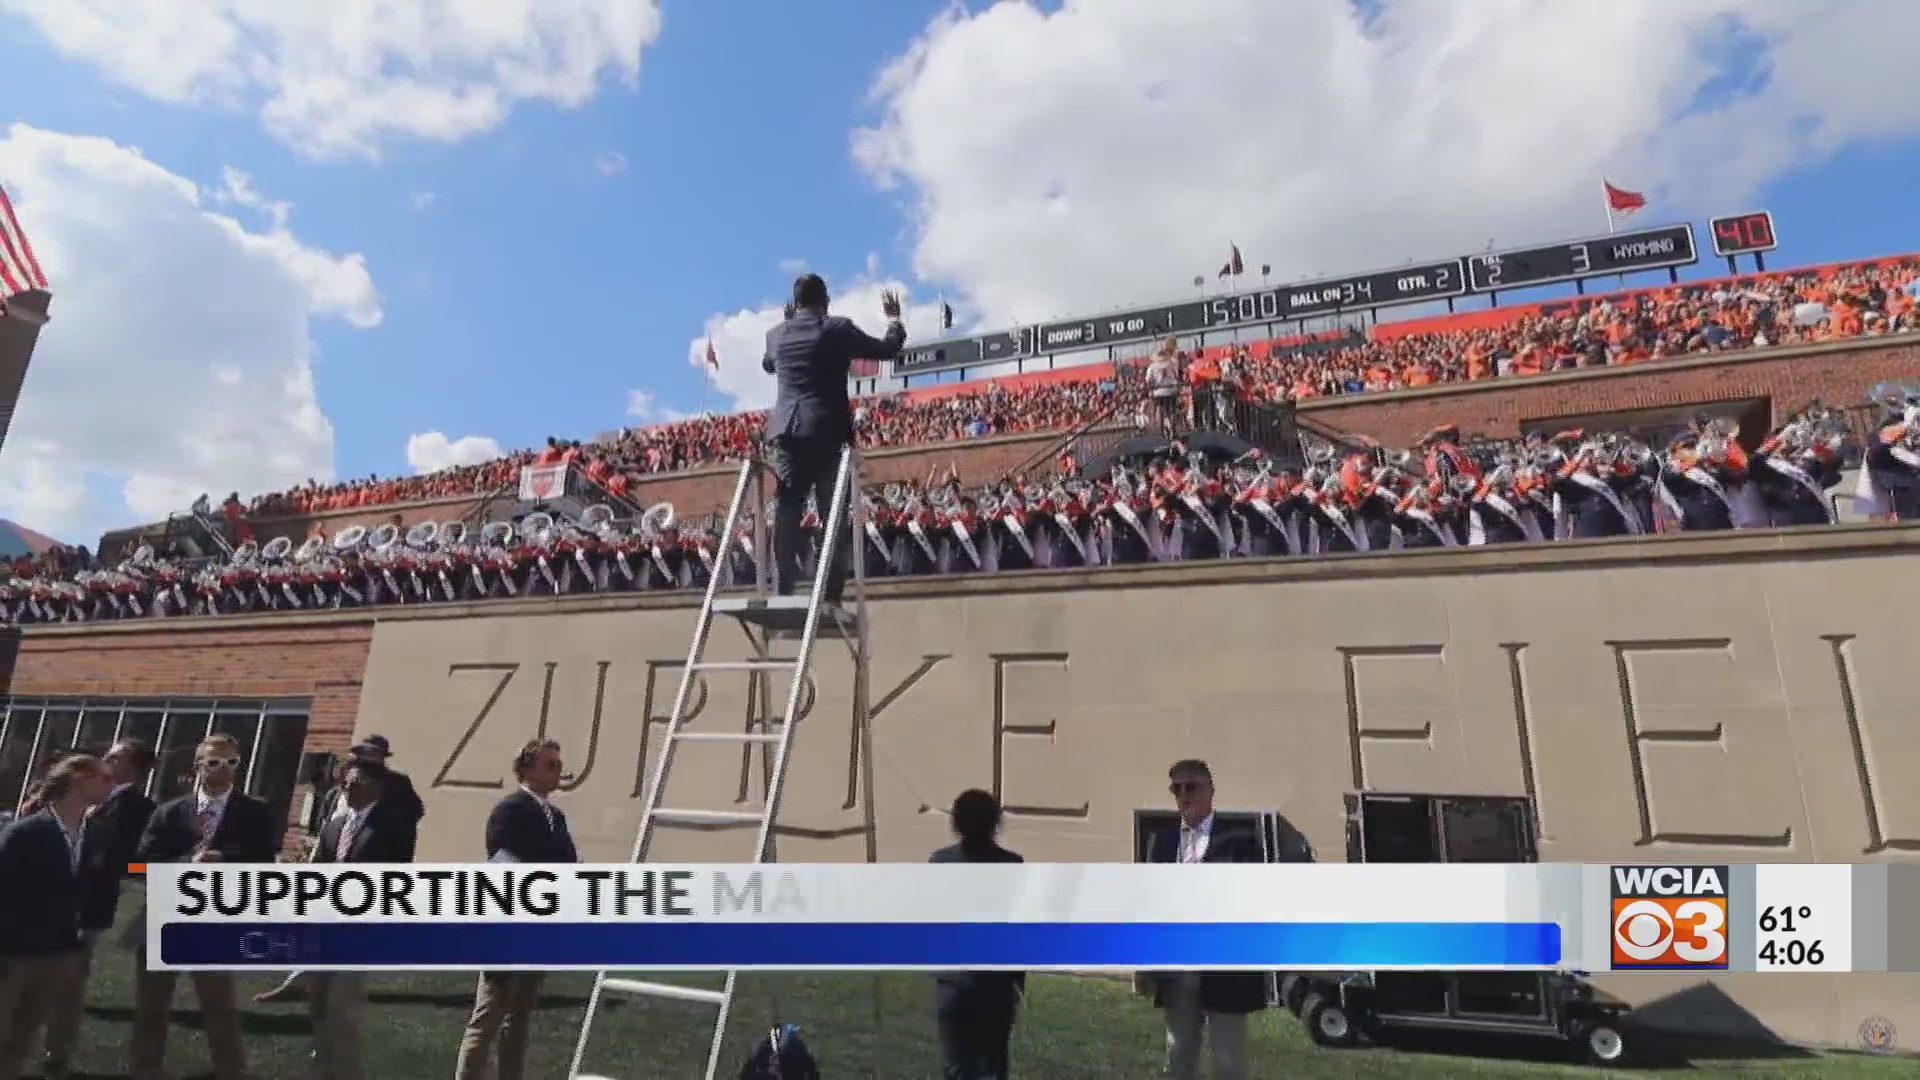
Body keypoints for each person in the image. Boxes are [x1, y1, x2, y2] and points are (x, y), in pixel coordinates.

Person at [130, 733, 277, 1080]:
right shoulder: (168, 811)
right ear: (197, 766)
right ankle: (146, 1069)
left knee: (219, 1005)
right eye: (214, 762)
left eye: (231, 762)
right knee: (152, 1004)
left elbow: (264, 865)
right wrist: (186, 862)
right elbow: (139, 865)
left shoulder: (254, 812)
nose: (224, 769)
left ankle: (230, 1070)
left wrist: (224, 858)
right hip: (164, 921)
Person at [761, 274, 907, 605]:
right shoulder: (836, 328)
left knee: (786, 507)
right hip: (825, 432)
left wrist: (787, 324)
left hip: (784, 432)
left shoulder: (775, 335)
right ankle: (830, 593)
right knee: (832, 514)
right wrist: (894, 319)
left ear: (795, 303)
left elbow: (769, 364)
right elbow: (886, 349)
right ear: (826, 301)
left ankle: (782, 588)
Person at [256, 735, 421, 1005]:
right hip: (333, 849)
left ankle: (321, 985)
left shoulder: (395, 785)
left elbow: (413, 816)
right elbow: (326, 813)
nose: (362, 759)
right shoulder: (340, 783)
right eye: (359, 754)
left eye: (370, 754)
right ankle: (303, 980)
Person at [455, 739, 579, 1080]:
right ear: (526, 770)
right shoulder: (511, 809)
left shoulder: (556, 816)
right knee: (489, 1016)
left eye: (558, 764)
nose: (557, 772)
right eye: (549, 765)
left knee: (519, 1020)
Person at [1140, 759, 1266, 1080]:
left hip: (1224, 964)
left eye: (1191, 786)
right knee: (1179, 1049)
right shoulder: (1163, 841)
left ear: (1210, 789)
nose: (1184, 795)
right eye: (1176, 788)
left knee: (1228, 1059)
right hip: (1178, 965)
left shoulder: (1241, 838)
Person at [42, 740, 156, 1080]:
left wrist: (108, 859)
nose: (106, 759)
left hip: (94, 897)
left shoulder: (139, 807)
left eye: (116, 757)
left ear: (131, 767)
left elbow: (137, 859)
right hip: (57, 891)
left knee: (73, 964)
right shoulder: (80, 797)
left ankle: (57, 1041)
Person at [0, 754, 113, 1080]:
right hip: (15, 953)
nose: (112, 785)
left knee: (23, 1035)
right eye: (104, 778)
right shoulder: (24, 833)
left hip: (61, 950)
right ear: (79, 779)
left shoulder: (97, 833)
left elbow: (107, 881)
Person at [307, 758, 409, 1080]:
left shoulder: (392, 826)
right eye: (345, 782)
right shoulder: (334, 826)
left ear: (375, 787)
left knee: (342, 1007)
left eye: (355, 783)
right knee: (319, 1003)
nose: (347, 788)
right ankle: (323, 1069)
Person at [929, 789, 1025, 1080]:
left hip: (952, 983)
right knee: (992, 1066)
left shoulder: (939, 863)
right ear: (995, 821)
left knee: (956, 1065)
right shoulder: (1011, 865)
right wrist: (1018, 980)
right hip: (994, 983)